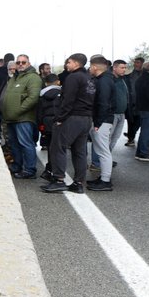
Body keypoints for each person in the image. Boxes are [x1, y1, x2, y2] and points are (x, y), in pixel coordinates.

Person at [42, 53, 93, 194]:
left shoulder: (73, 77)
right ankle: (78, 183)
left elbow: (67, 101)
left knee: (58, 147)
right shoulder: (89, 78)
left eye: (69, 62)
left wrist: (60, 118)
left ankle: (58, 180)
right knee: (80, 151)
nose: (67, 65)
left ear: (76, 63)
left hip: (72, 117)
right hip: (86, 118)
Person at [2, 54, 41, 179]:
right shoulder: (15, 77)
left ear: (28, 63)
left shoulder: (33, 78)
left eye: (23, 62)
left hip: (23, 118)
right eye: (18, 62)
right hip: (11, 118)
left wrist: (18, 110)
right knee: (14, 144)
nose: (20, 64)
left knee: (26, 143)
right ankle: (17, 165)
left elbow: (33, 98)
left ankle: (30, 170)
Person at [87, 56, 116, 191]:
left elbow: (103, 103)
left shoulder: (104, 81)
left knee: (103, 151)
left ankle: (105, 181)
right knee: (100, 150)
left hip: (102, 120)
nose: (89, 68)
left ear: (95, 67)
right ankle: (104, 178)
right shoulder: (104, 79)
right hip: (102, 120)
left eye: (90, 66)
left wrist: (97, 122)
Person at [36, 73, 63, 182]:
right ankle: (55, 172)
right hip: (59, 123)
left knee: (50, 148)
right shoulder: (63, 94)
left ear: (46, 83)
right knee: (59, 149)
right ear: (58, 82)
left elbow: (39, 113)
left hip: (46, 123)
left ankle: (49, 169)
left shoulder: (42, 95)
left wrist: (40, 125)